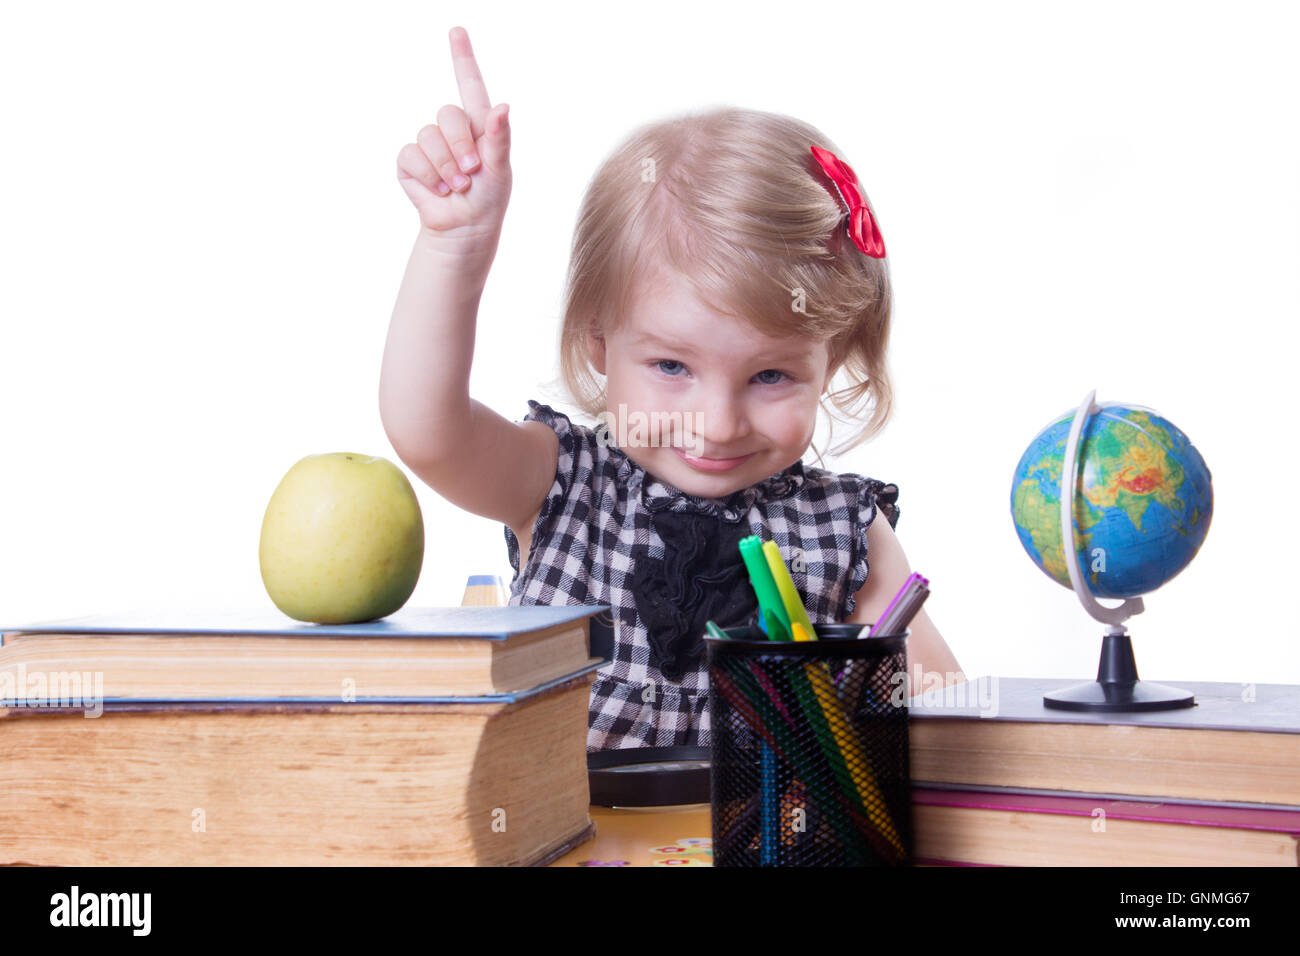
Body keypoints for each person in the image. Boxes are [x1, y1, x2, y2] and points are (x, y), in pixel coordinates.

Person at [380, 26, 964, 752]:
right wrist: (454, 249)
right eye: (672, 367)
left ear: (832, 358)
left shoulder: (845, 530)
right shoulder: (563, 485)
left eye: (771, 375)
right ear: (600, 344)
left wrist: (871, 704)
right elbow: (424, 429)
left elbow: (945, 722)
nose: (717, 424)